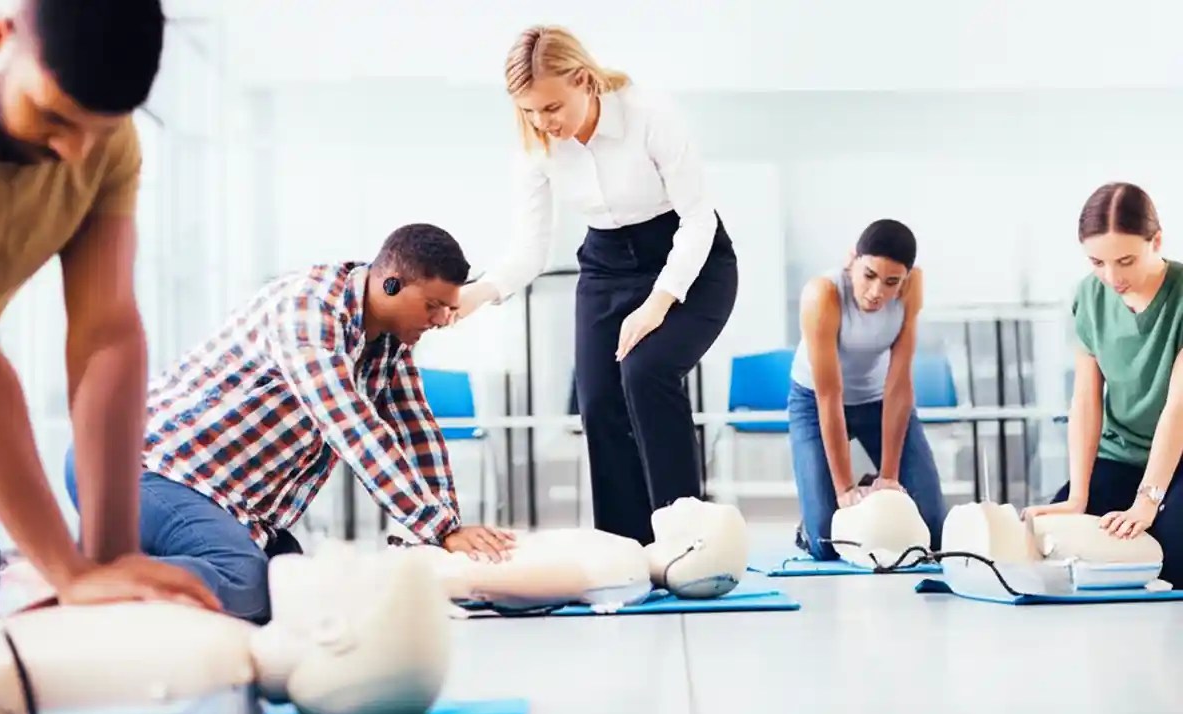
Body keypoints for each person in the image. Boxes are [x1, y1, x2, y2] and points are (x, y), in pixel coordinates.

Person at [0, 0, 217, 613]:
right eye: (52, 117)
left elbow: (106, 335)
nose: (75, 152)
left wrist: (109, 562)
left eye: (97, 132)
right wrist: (66, 571)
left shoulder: (103, 140)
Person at [65, 224, 516, 622]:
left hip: (213, 496)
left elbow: (416, 430)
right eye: (434, 305)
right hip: (135, 468)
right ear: (392, 285)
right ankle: (83, 575)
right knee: (247, 580)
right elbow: (351, 426)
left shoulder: (386, 344)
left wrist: (448, 533)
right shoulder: (308, 309)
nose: (441, 321)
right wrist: (439, 527)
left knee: (292, 579)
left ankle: (131, 557)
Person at [454, 26, 738, 546]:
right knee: (599, 399)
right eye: (529, 111)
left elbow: (698, 218)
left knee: (645, 371)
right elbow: (530, 249)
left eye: (552, 107)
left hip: (691, 261)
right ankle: (625, 549)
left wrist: (660, 301)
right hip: (607, 266)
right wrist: (478, 292)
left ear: (583, 80)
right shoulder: (536, 146)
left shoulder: (650, 114)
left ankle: (686, 542)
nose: (543, 123)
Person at [1025, 181, 1183, 585]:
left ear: (1157, 241)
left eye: (1126, 261)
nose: (1112, 277)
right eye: (1097, 262)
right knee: (1050, 544)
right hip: (1121, 452)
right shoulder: (1088, 296)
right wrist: (1079, 495)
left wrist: (1146, 503)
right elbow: (1085, 401)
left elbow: (1177, 410)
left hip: (1177, 456)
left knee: (1172, 552)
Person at [788, 219, 947, 560]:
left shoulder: (912, 288)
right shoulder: (823, 294)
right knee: (826, 544)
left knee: (934, 530)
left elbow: (900, 383)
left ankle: (871, 485)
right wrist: (844, 490)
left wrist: (889, 478)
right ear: (852, 261)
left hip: (878, 400)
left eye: (892, 282)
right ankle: (819, 509)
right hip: (816, 401)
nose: (878, 292)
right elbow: (829, 395)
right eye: (869, 276)